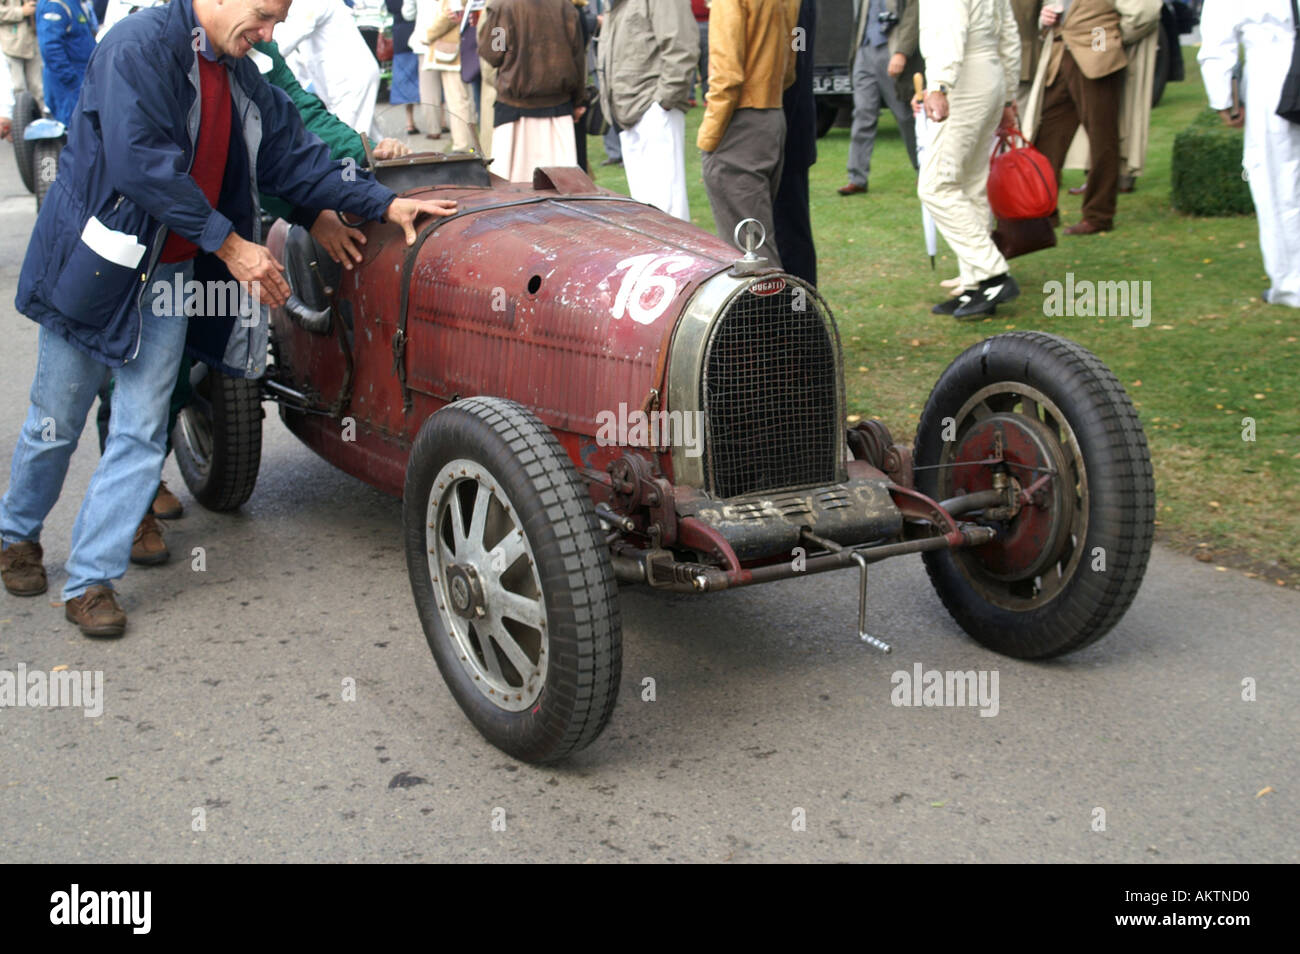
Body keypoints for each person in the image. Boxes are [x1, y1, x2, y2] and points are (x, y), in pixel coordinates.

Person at [0, 0, 455, 638]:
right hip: (96, 266)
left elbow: (297, 156)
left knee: (140, 427)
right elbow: (141, 166)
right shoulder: (137, 46)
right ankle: (16, 536)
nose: (269, 35)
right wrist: (229, 242)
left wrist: (383, 202)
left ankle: (90, 580)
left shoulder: (242, 73)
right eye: (265, 16)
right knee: (57, 421)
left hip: (170, 275)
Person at [917, 0, 1021, 319]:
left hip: (963, 79)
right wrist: (1007, 95)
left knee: (936, 185)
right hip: (989, 75)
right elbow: (1009, 35)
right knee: (970, 184)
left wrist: (938, 86)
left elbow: (948, 29)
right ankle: (976, 285)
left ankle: (992, 274)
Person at [1199, 0, 1300, 308]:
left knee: (1277, 179)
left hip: (1272, 72)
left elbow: (1218, 39)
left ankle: (1290, 283)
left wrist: (1223, 99)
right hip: (1275, 65)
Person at [698, 0, 800, 267]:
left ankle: (777, 309)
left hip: (740, 122)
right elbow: (791, 64)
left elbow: (726, 75)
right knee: (756, 240)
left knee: (750, 253)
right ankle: (780, 306)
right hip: (771, 116)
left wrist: (709, 137)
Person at [1032, 0, 1126, 235]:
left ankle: (1099, 215)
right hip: (1059, 59)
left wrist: (1108, 41)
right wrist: (1044, 21)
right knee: (1046, 137)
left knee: (1102, 138)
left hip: (1098, 60)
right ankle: (1043, 212)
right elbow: (1051, 13)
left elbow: (1143, 13)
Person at [597, 0, 697, 221]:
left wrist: (663, 103)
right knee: (645, 215)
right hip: (626, 113)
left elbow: (681, 47)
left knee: (668, 214)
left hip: (655, 112)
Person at [477, 0, 586, 182]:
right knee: (563, 189)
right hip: (557, 111)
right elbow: (578, 58)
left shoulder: (504, 6)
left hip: (516, 112)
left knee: (513, 192)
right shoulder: (565, 6)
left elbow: (494, 52)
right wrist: (578, 101)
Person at [839, 0, 920, 195]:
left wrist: (902, 52)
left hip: (891, 48)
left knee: (905, 116)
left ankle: (925, 172)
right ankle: (857, 178)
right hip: (865, 50)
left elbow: (914, 13)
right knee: (862, 114)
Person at [275, 0, 381, 137]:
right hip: (344, 78)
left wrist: (262, 53)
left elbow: (287, 40)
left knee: (346, 137)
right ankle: (395, 157)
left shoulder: (312, 4)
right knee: (370, 138)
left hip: (349, 78)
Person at [774, 0, 817, 284]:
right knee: (781, 231)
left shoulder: (797, 5)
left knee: (791, 234)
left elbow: (795, 66)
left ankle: (800, 316)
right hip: (784, 128)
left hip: (789, 131)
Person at [34, 0, 96, 126]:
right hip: (68, 87)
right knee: (74, 132)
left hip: (82, 80)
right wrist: (71, 80)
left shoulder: (73, 3)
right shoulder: (54, 5)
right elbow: (51, 49)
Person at [427, 0, 478, 152]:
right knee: (465, 102)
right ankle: (470, 145)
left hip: (454, 51)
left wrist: (427, 35)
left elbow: (450, 13)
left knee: (458, 102)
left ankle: (462, 146)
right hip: (463, 49)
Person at [386, 0, 422, 134]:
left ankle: (410, 122)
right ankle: (439, 122)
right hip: (422, 33)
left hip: (402, 33)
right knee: (433, 78)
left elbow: (391, 7)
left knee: (406, 81)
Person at [1, 0, 43, 109]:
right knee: (18, 89)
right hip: (11, 45)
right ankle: (20, 124)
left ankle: (39, 122)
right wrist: (21, 11)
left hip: (34, 43)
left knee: (38, 90)